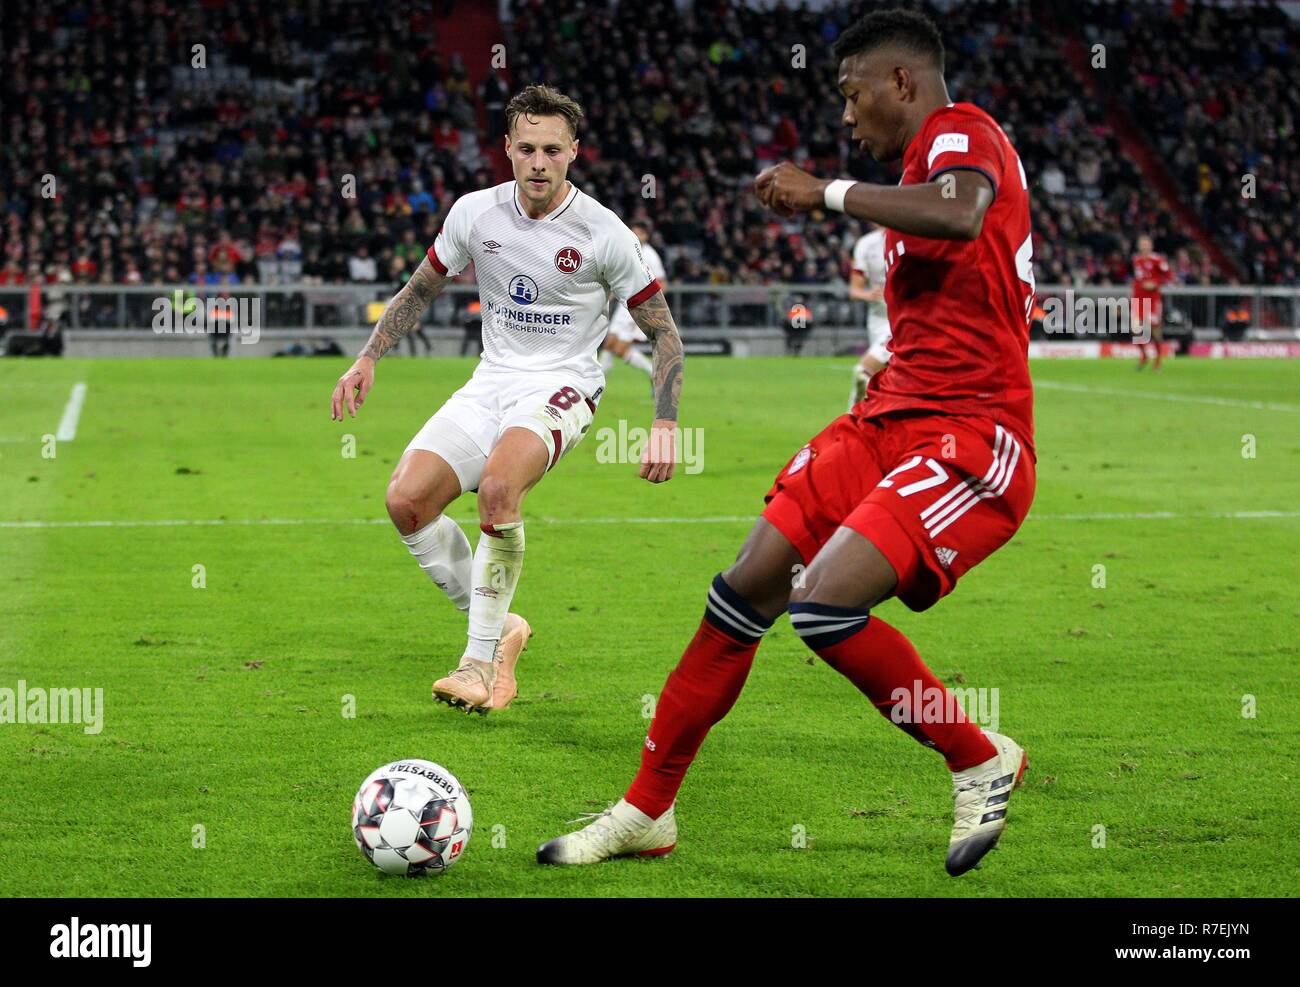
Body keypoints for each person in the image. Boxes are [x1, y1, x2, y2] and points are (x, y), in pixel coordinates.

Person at [538, 9, 1035, 877]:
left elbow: (961, 214)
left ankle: (974, 754)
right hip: (886, 419)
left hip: (973, 434)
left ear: (902, 84)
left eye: (851, 96)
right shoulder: (922, 163)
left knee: (824, 603)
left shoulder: (962, 134)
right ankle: (646, 810)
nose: (846, 117)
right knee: (742, 592)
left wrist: (827, 190)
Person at [330, 85, 684, 714]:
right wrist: (368, 356)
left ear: (574, 151)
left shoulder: (605, 233)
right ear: (507, 150)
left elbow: (663, 333)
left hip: (564, 385)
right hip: (490, 380)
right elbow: (421, 287)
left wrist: (664, 422)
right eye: (527, 148)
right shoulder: (475, 213)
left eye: (552, 148)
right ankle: (504, 627)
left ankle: (478, 662)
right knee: (406, 503)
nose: (539, 162)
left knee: (498, 490)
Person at [599, 222, 664, 384]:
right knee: (609, 344)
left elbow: (662, 282)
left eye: (639, 233)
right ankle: (596, 383)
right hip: (624, 306)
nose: (635, 235)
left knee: (620, 349)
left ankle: (654, 374)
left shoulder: (650, 255)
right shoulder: (629, 250)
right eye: (633, 232)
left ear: (646, 235)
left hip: (640, 306)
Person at [847, 223, 892, 408]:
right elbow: (854, 290)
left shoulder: (916, 239)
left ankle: (851, 418)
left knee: (865, 370)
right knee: (886, 378)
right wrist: (869, 294)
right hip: (877, 320)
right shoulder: (866, 244)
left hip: (902, 320)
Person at [1131, 234, 1172, 369]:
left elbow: (1169, 275)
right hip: (1138, 299)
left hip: (1153, 300)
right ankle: (1144, 355)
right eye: (1141, 243)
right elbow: (1137, 280)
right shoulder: (1136, 259)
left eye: (1146, 243)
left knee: (1154, 330)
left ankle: (1158, 360)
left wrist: (1155, 283)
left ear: (1151, 245)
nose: (1143, 246)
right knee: (1135, 329)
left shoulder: (1157, 259)